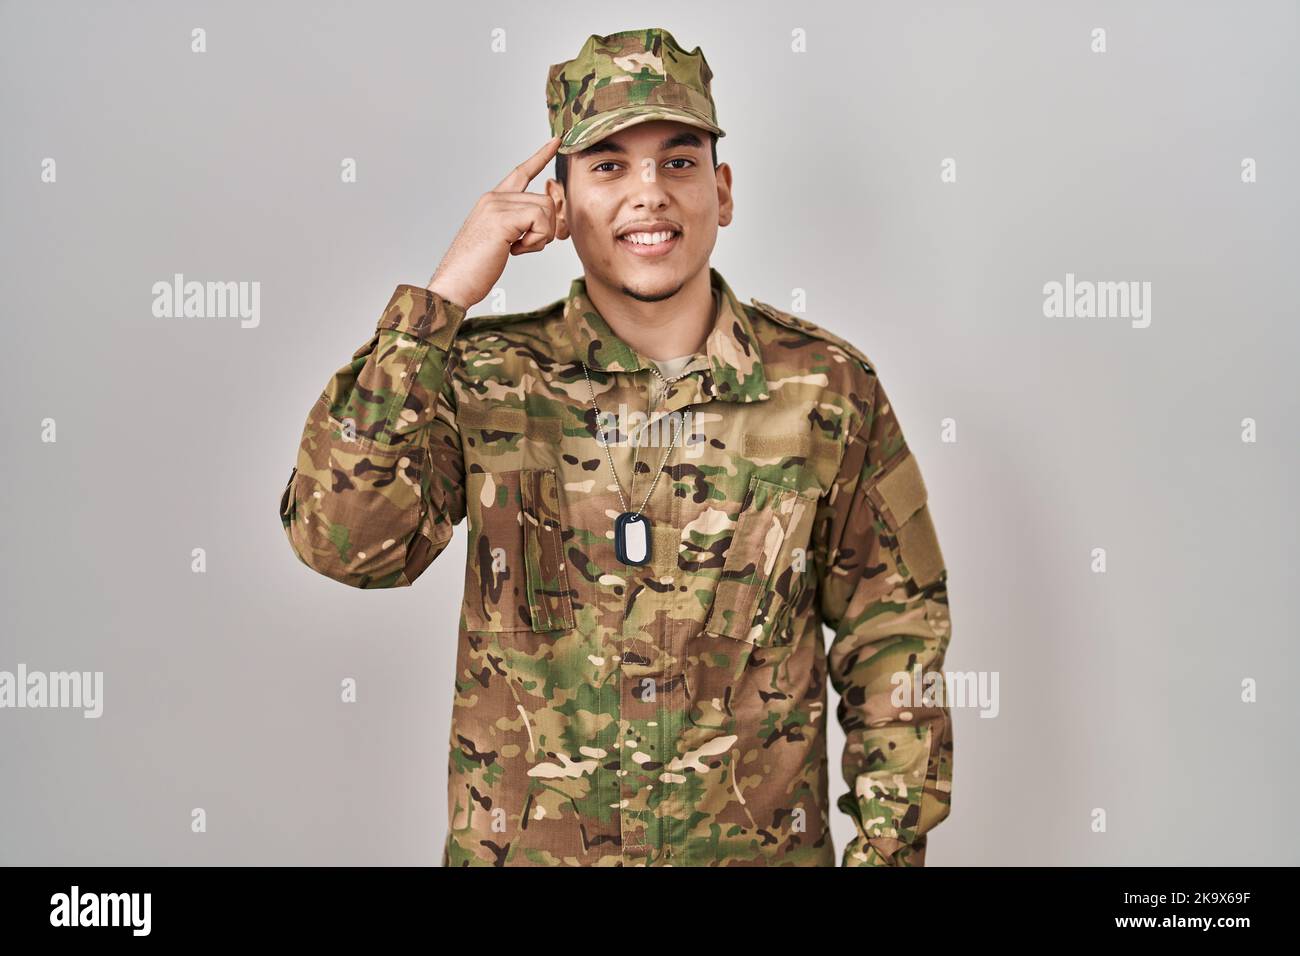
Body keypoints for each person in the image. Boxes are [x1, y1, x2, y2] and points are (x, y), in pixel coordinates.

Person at [278, 27, 953, 867]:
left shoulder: (825, 389)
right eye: (607, 166)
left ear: (723, 192)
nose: (649, 194)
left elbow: (896, 638)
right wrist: (441, 302)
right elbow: (342, 541)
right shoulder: (485, 381)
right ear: (558, 205)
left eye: (679, 162)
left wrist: (890, 854)